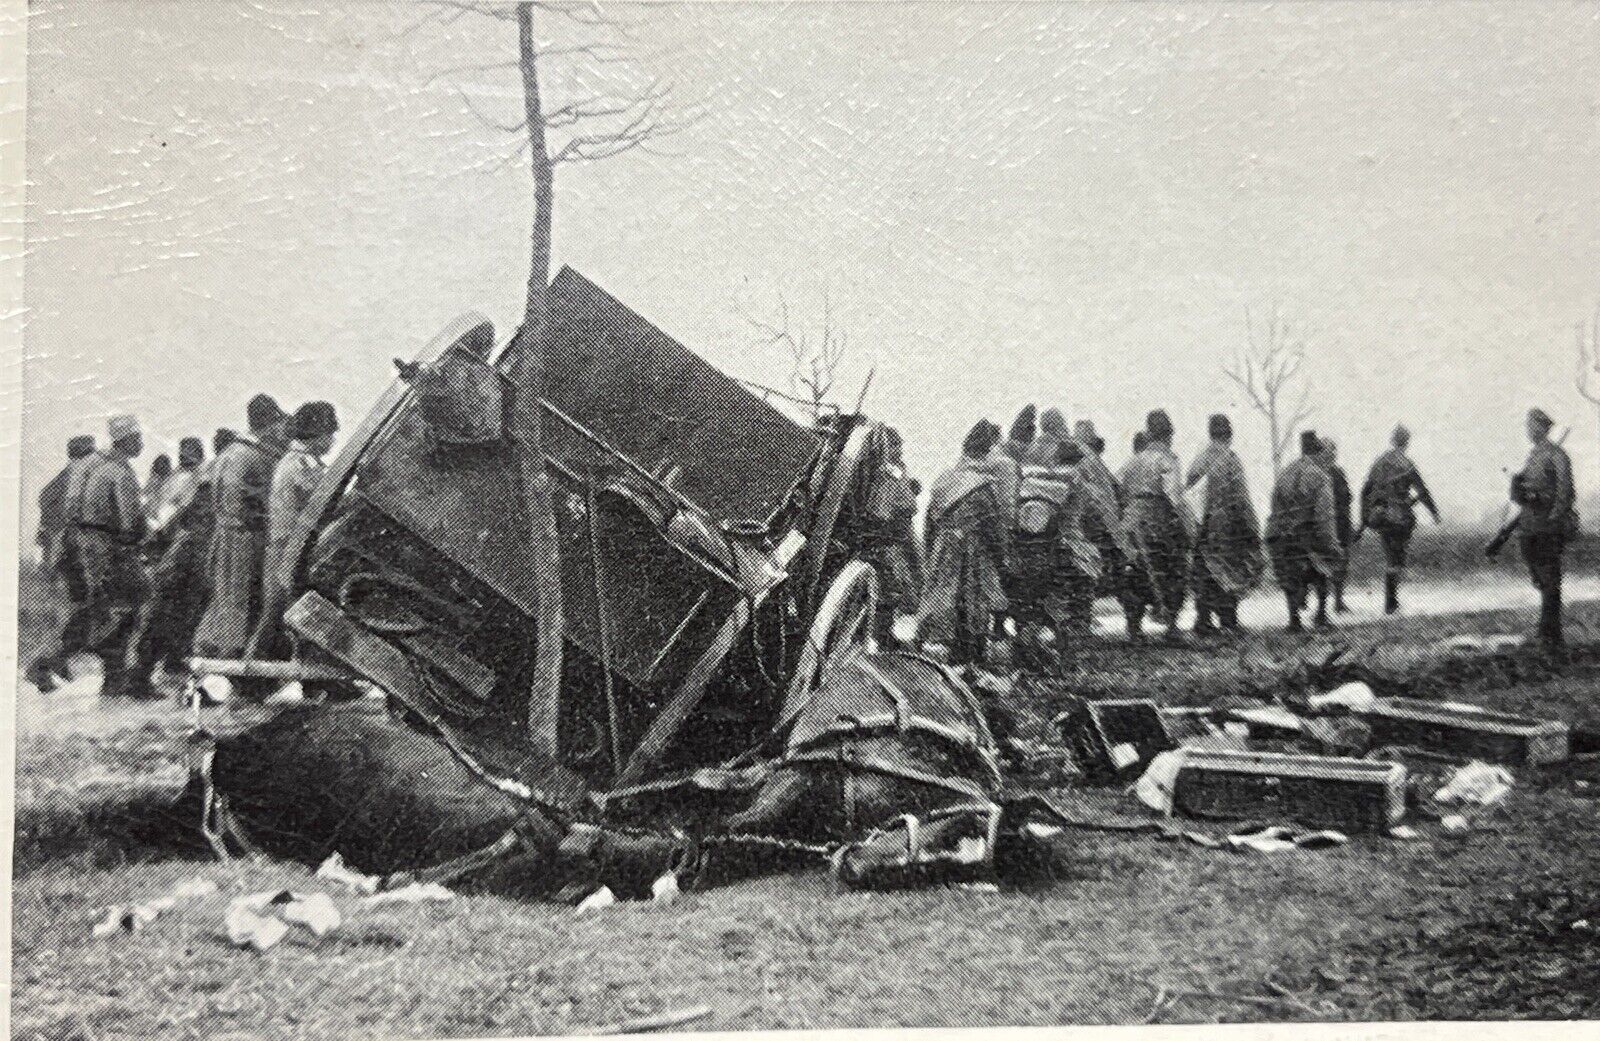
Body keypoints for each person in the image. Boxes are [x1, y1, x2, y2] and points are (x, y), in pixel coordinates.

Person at [193, 394, 287, 659]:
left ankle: (213, 646)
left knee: (225, 595)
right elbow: (258, 502)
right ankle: (232, 653)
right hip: (246, 537)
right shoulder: (253, 456)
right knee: (244, 595)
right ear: (268, 424)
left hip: (225, 534)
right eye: (278, 424)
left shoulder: (229, 453)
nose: (281, 431)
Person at [248, 401, 339, 665]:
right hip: (287, 548)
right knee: (279, 612)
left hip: (290, 546)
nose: (333, 440)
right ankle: (247, 681)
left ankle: (314, 678)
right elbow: (324, 498)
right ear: (317, 435)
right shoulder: (299, 465)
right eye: (330, 433)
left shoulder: (302, 461)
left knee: (292, 612)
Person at [122, 436, 215, 698]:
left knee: (181, 623)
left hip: (181, 562)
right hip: (178, 563)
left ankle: (163, 676)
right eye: (186, 451)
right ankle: (139, 679)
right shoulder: (190, 484)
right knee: (166, 619)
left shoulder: (189, 482)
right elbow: (164, 522)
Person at [918, 422, 1010, 666]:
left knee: (948, 602)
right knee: (974, 602)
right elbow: (992, 526)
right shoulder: (983, 485)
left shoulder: (944, 479)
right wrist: (1001, 558)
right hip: (973, 551)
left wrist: (932, 550)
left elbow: (929, 520)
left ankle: (954, 656)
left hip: (944, 546)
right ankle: (974, 659)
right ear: (988, 451)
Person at [72, 415, 150, 697]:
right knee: (132, 603)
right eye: (138, 438)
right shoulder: (120, 471)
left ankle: (112, 675)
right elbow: (130, 521)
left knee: (109, 606)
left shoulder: (90, 464)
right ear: (126, 440)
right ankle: (115, 677)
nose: (141, 443)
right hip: (111, 546)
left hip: (88, 544)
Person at [1012, 439, 1101, 669]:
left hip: (1029, 550)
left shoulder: (1035, 480)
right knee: (1075, 599)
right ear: (1078, 461)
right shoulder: (1078, 481)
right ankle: (1069, 660)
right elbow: (1089, 516)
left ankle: (1025, 650)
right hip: (1064, 548)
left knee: (1034, 604)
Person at [26, 435, 100, 690]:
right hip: (69, 557)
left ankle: (56, 663)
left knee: (75, 612)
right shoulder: (75, 482)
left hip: (59, 557)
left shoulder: (61, 481)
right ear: (85, 456)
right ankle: (42, 667)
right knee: (76, 612)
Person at [1117, 411, 1194, 641]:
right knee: (1172, 569)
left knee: (1135, 574)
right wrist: (1189, 526)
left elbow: (1118, 488)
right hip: (1157, 523)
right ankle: (1171, 626)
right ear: (1169, 435)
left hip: (1131, 523)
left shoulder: (1132, 461)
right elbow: (1174, 497)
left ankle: (1134, 629)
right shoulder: (1167, 459)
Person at [1186, 414, 1264, 635]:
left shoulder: (1198, 460)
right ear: (1229, 434)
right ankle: (1229, 620)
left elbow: (1190, 495)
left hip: (1202, 524)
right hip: (1227, 525)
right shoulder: (1230, 459)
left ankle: (1203, 619)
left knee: (1204, 570)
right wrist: (1252, 527)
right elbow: (1241, 497)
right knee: (1231, 569)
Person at [1511, 408, 1578, 649]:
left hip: (1548, 525)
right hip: (1529, 524)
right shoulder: (1533, 456)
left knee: (1549, 578)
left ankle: (1551, 633)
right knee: (1539, 577)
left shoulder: (1557, 455)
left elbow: (1565, 492)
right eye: (1527, 425)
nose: (1528, 430)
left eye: (1532, 426)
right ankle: (1546, 631)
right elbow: (1523, 495)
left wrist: (1554, 519)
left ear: (1542, 427)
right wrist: (1517, 490)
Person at [1360, 424, 1440, 614]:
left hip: (1381, 516)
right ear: (1406, 441)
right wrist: (1434, 513)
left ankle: (1391, 601)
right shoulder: (1407, 463)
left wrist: (1364, 517)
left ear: (1392, 439)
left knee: (1390, 556)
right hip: (1401, 518)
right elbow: (1422, 491)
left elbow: (1366, 490)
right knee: (1398, 558)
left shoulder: (1378, 462)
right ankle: (1391, 602)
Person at [1267, 431, 1342, 633]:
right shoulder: (1320, 477)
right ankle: (1321, 615)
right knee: (1323, 568)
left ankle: (1294, 620)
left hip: (1279, 536)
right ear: (1317, 453)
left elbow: (1274, 504)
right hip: (1305, 537)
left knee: (1289, 577)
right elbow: (1324, 517)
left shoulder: (1285, 473)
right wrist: (1332, 545)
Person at [862, 427, 922, 650]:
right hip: (883, 539)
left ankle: (884, 634)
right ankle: (882, 637)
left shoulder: (895, 470)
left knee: (893, 586)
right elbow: (883, 510)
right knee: (888, 587)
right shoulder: (887, 473)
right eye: (897, 446)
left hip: (889, 538)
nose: (901, 451)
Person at [1319, 437, 1354, 613]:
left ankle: (1339, 601)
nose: (1331, 454)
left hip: (1341, 524)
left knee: (1342, 562)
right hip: (1326, 523)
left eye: (1333, 451)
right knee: (1324, 564)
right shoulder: (1318, 473)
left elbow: (1348, 497)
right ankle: (1323, 606)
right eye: (1328, 451)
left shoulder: (1338, 473)